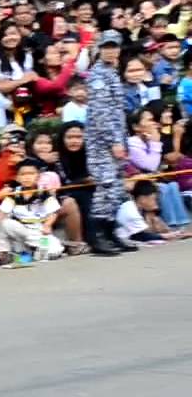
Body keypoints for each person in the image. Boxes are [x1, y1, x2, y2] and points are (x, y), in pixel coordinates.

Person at [85, 30, 132, 255]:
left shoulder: (112, 72)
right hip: (102, 142)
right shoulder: (97, 75)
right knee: (105, 187)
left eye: (114, 47)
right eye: (106, 47)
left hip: (116, 138)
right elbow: (101, 112)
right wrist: (114, 141)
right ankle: (97, 235)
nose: (110, 50)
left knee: (116, 189)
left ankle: (110, 231)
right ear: (100, 48)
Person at [0, 160, 66, 261]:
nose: (27, 177)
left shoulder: (43, 193)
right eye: (23, 174)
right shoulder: (14, 194)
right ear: (17, 178)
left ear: (38, 176)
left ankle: (33, 252)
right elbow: (3, 212)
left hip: (38, 229)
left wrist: (48, 225)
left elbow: (53, 212)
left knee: (55, 249)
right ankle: (5, 254)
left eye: (31, 174)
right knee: (3, 223)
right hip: (20, 228)